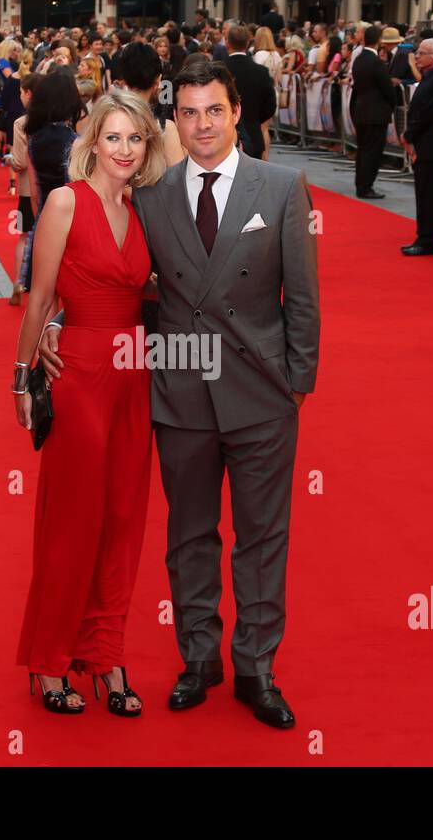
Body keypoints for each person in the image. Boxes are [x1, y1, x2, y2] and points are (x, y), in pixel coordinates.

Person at [40, 61, 320, 729]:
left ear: (237, 113)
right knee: (189, 537)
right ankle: (199, 660)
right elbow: (114, 278)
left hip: (262, 396)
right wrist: (57, 322)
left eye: (214, 111)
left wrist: (297, 385)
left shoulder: (282, 188)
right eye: (189, 113)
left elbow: (303, 301)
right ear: (175, 119)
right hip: (180, 392)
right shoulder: (154, 195)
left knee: (261, 538)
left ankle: (256, 668)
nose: (201, 126)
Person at [13, 88, 167, 715]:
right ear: (92, 142)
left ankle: (106, 655)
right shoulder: (63, 202)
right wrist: (23, 377)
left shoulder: (144, 209)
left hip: (136, 375)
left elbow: (153, 289)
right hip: (79, 374)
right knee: (74, 523)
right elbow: (41, 296)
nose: (125, 149)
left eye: (136, 138)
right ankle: (51, 662)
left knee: (124, 523)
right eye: (114, 138)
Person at [18, 70, 84, 291]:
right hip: (73, 227)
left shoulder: (35, 141)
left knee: (43, 296)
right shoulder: (75, 143)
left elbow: (35, 194)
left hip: (44, 221)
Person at [400, 37, 433, 256]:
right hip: (426, 144)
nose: (417, 56)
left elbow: (424, 114)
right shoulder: (431, 78)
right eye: (418, 52)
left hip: (430, 146)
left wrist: (408, 135)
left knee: (428, 195)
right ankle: (423, 236)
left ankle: (427, 240)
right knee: (424, 194)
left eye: (422, 53)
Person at [352, 25, 394, 199]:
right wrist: (392, 105)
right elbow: (388, 89)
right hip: (376, 114)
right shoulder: (377, 63)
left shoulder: (359, 59)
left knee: (362, 150)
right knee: (373, 151)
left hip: (361, 111)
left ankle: (361, 183)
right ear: (378, 41)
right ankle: (366, 186)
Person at [225, 24, 276, 160]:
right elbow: (270, 106)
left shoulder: (220, 69)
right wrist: (256, 119)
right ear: (248, 43)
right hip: (254, 135)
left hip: (225, 137)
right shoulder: (261, 72)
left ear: (227, 43)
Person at [8, 73, 38, 305]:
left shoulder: (22, 123)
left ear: (28, 93)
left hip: (28, 188)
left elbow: (18, 160)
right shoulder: (57, 119)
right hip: (54, 188)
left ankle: (18, 282)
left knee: (23, 236)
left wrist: (11, 161)